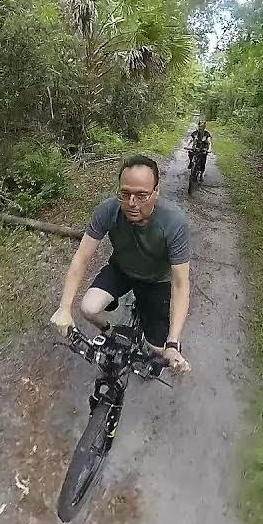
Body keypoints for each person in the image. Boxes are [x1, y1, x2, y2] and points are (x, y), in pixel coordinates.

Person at [49, 155, 192, 374]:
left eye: (142, 195)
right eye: (125, 194)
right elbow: (82, 257)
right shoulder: (109, 210)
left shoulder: (174, 223)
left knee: (156, 349)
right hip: (121, 270)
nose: (132, 203)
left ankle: (155, 342)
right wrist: (64, 307)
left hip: (156, 281)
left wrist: (173, 343)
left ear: (156, 192)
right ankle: (111, 332)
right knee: (88, 308)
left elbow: (181, 284)